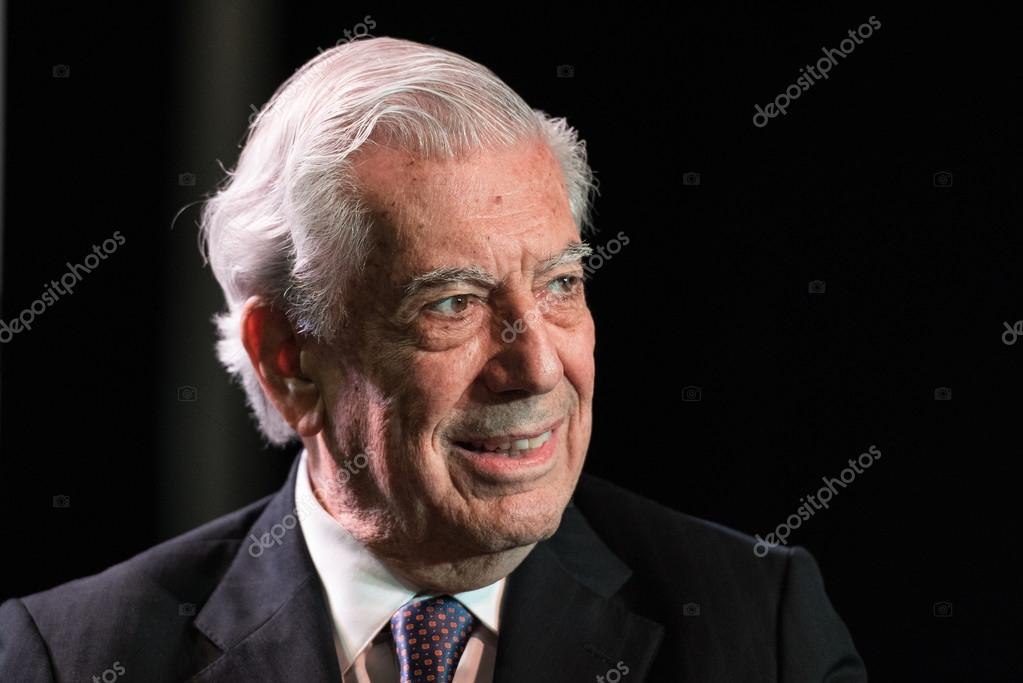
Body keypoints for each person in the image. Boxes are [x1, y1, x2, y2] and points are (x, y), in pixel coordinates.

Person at [0, 37, 866, 682]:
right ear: (288, 358)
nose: (535, 369)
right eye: (451, 303)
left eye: (560, 285)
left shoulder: (758, 627)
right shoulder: (67, 657)